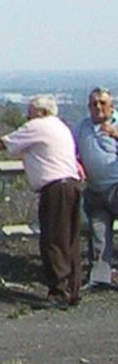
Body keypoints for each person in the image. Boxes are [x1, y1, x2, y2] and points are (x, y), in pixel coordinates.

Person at [0, 95, 83, 307]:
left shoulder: (38, 126)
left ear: (41, 112)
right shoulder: (61, 126)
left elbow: (5, 142)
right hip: (72, 185)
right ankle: (72, 290)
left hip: (55, 188)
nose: (27, 115)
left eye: (30, 110)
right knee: (70, 240)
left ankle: (59, 292)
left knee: (54, 240)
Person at [75, 87, 118, 287]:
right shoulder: (82, 127)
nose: (98, 107)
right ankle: (101, 278)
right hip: (95, 190)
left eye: (102, 103)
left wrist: (116, 134)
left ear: (112, 105)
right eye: (94, 104)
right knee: (99, 234)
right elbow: (70, 148)